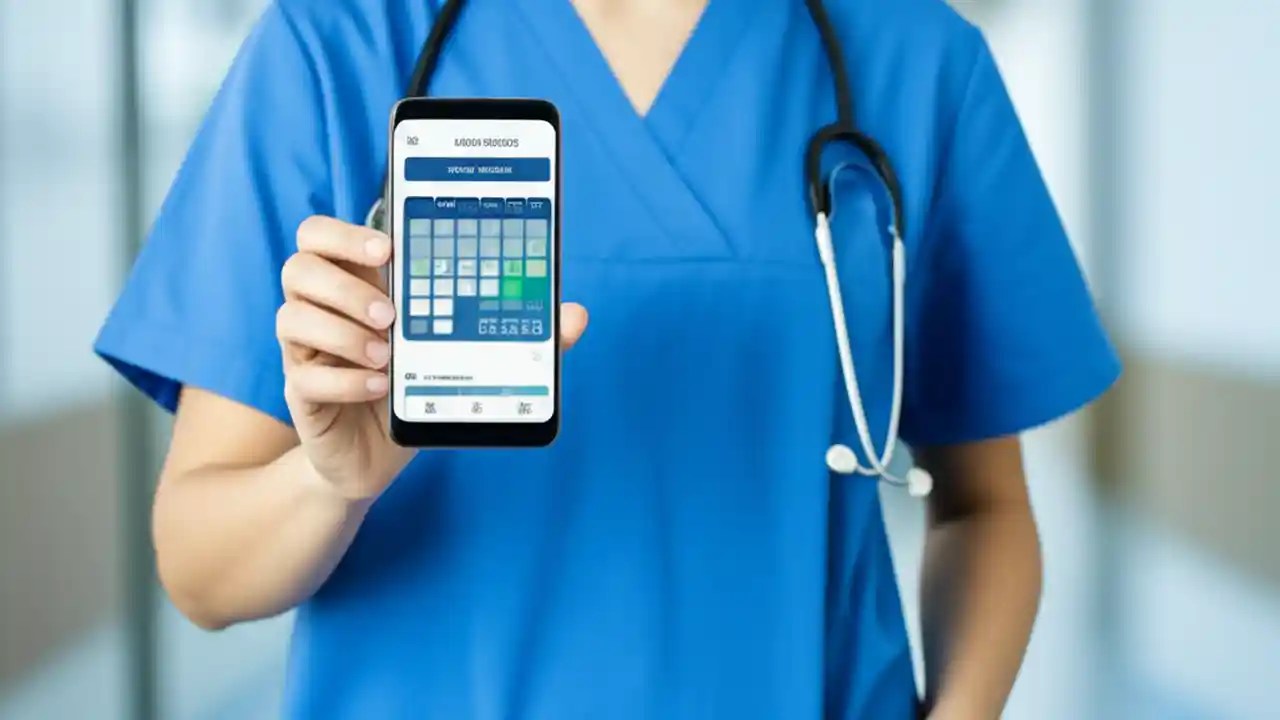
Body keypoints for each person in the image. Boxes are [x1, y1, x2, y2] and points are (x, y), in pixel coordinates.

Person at [95, 0, 1120, 717]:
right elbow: (200, 570)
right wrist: (332, 483)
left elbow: (983, 507)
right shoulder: (341, 44)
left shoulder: (911, 57)